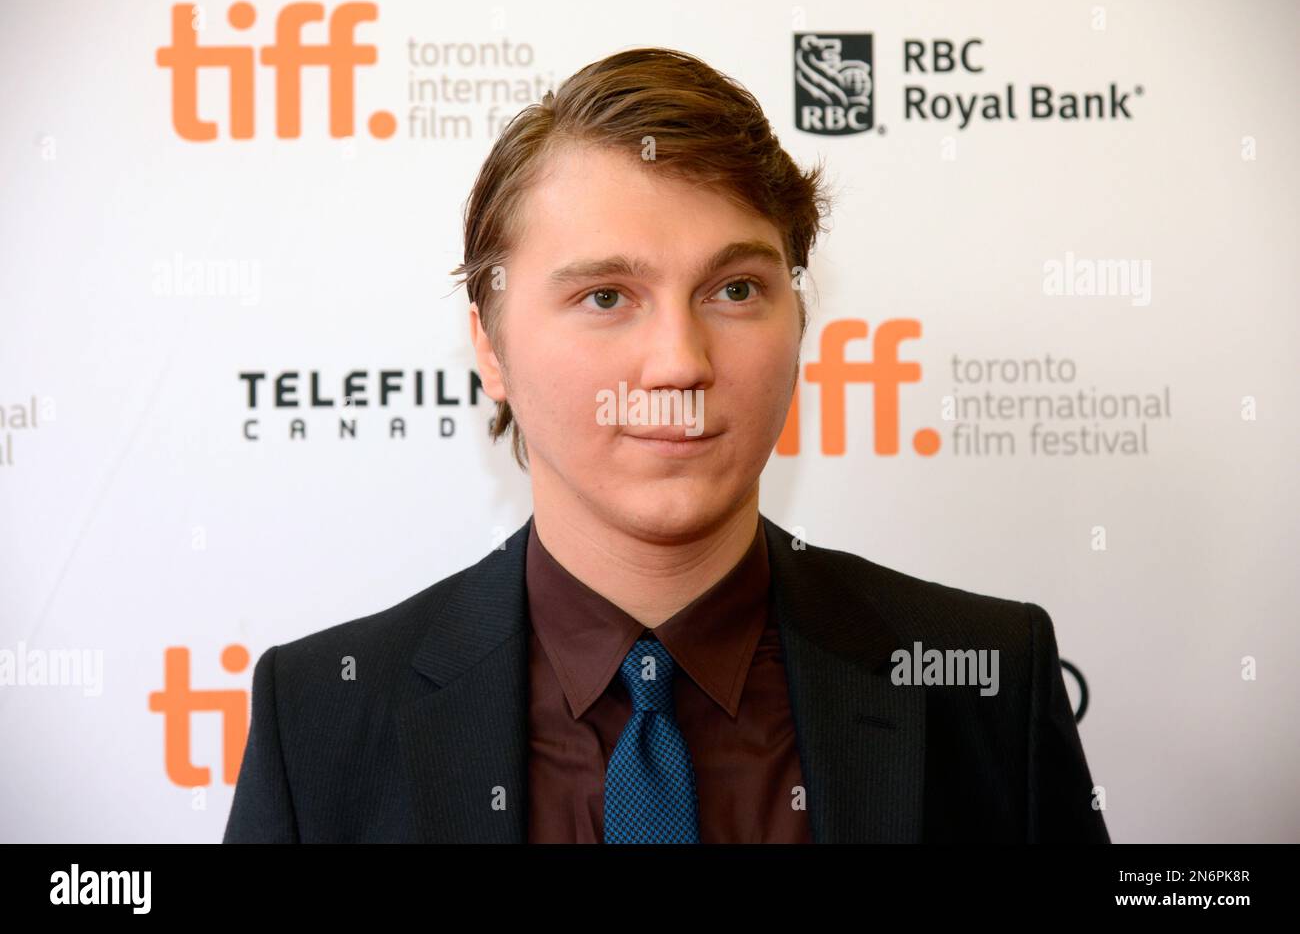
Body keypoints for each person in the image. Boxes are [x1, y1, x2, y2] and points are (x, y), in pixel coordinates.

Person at [224, 47, 1109, 843]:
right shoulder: (321, 719)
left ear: (798, 319)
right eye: (607, 297)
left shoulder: (988, 681)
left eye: (733, 288)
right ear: (490, 348)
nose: (681, 363)